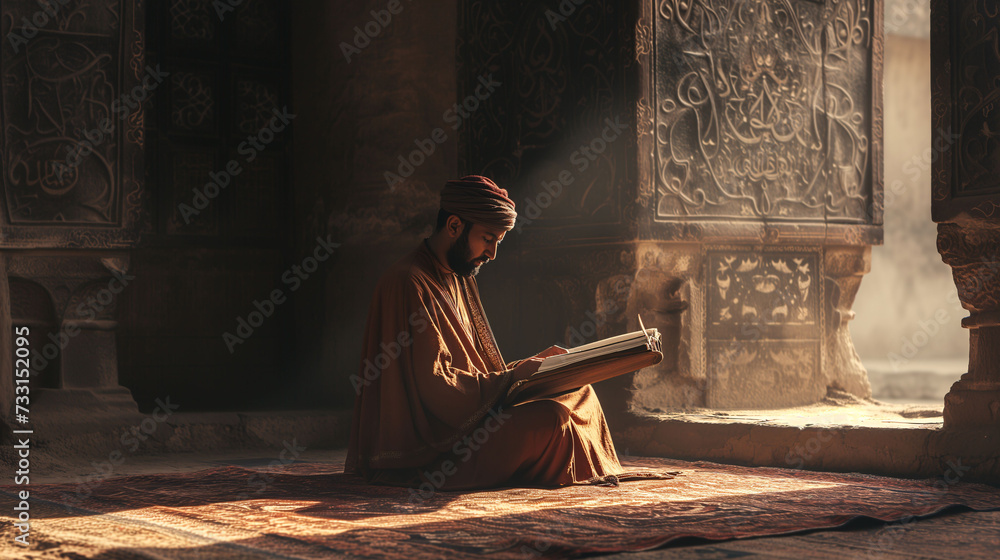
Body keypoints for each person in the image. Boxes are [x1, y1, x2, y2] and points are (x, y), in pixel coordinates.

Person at [344, 175, 625, 493]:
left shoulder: (461, 276)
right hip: (438, 448)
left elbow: (479, 374)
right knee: (552, 420)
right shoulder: (408, 281)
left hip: (471, 415)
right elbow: (438, 390)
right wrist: (514, 375)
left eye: (498, 243)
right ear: (453, 226)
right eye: (488, 239)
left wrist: (532, 367)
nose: (491, 253)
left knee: (580, 390)